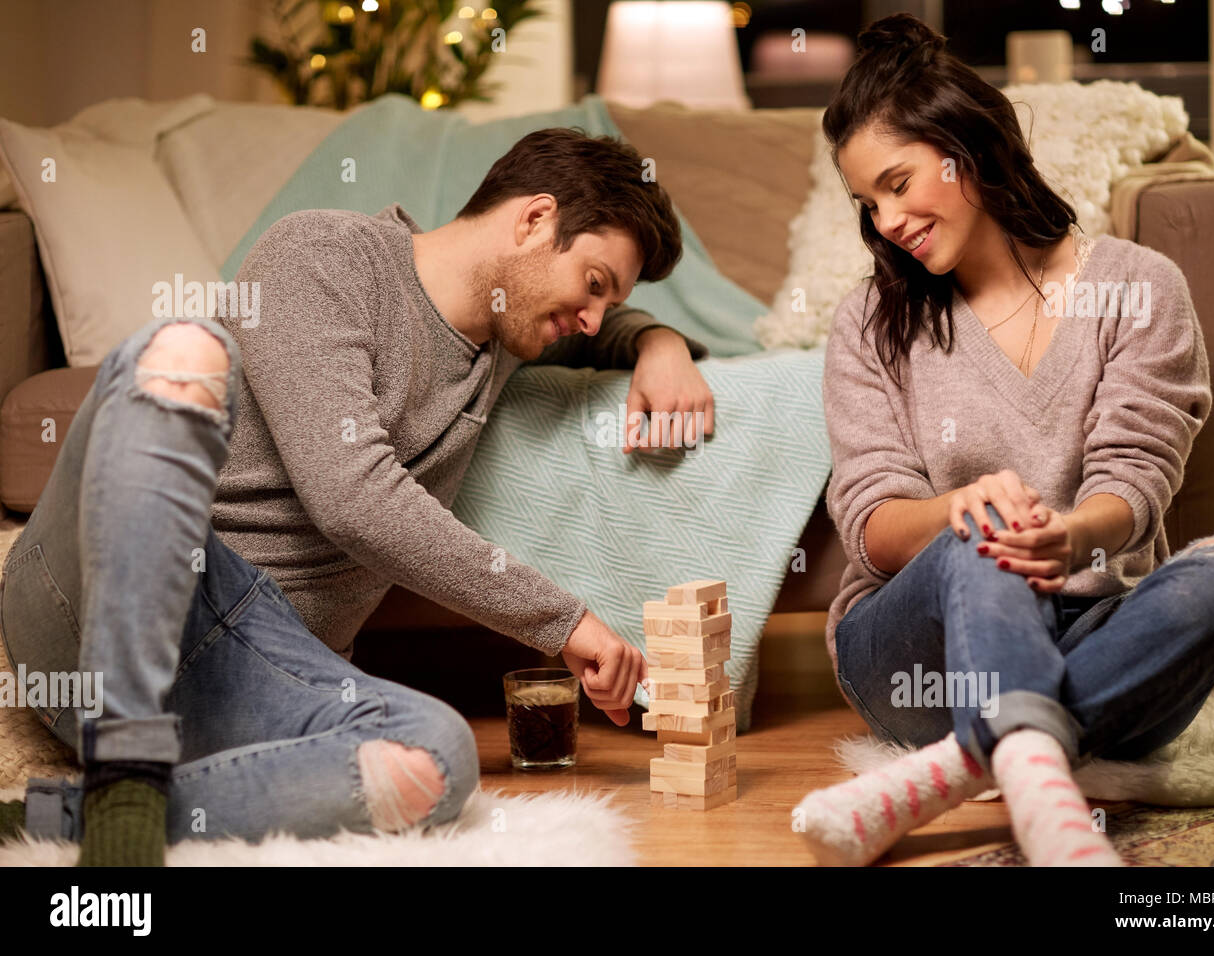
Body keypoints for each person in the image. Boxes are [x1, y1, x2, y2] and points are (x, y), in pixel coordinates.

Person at [0, 127, 711, 865]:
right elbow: (352, 496)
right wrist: (563, 622)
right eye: (594, 284)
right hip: (101, 608)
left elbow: (604, 332)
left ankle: (72, 816)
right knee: (179, 351)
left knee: (435, 755)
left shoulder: (511, 331)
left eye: (608, 302)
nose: (592, 317)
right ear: (534, 220)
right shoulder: (321, 255)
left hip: (255, 669)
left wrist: (659, 344)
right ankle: (123, 759)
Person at [796, 14, 1214, 867]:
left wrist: (1073, 536)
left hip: (1091, 622)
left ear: (965, 149)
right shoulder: (870, 322)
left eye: (900, 183)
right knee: (981, 533)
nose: (890, 219)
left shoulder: (1139, 286)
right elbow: (870, 523)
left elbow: (1137, 475)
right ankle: (1049, 807)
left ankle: (973, 760)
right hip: (915, 656)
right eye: (870, 203)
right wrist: (957, 511)